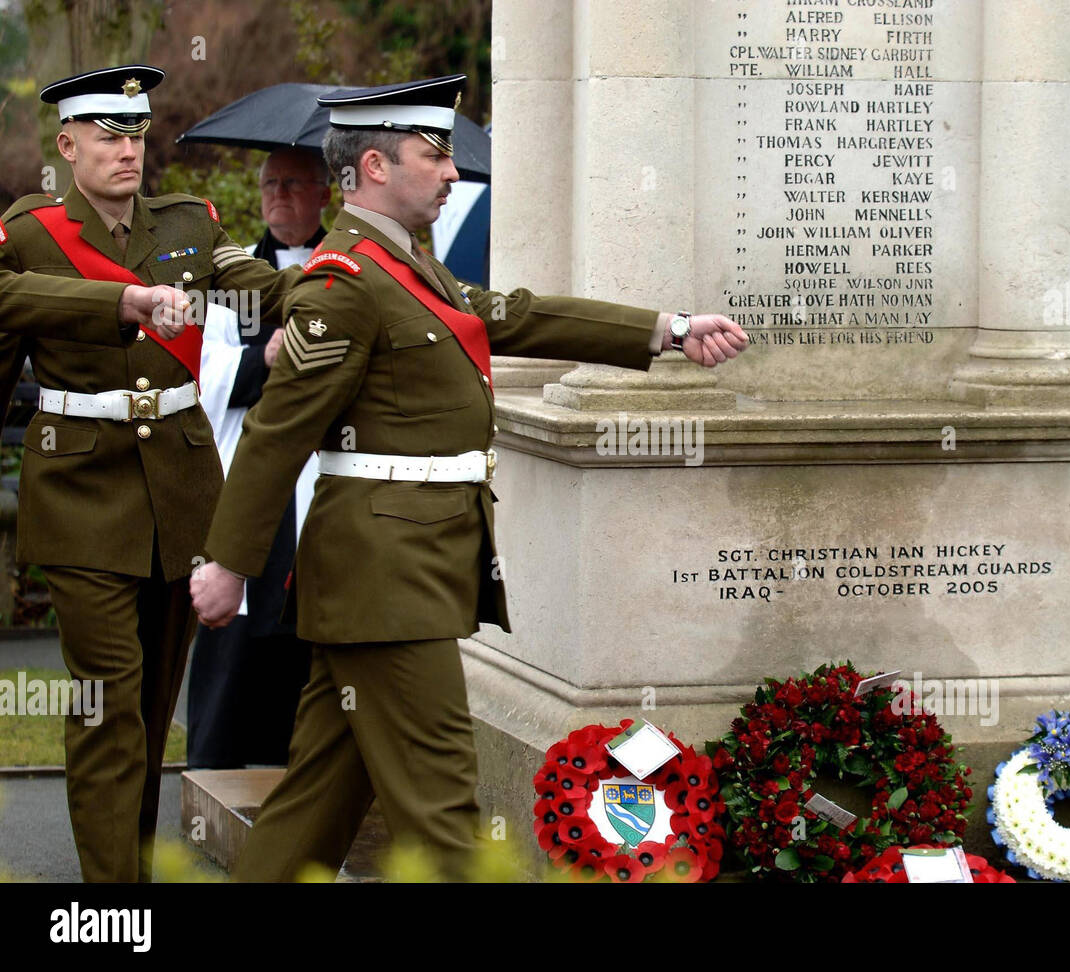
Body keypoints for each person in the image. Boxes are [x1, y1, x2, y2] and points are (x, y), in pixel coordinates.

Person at [189, 74, 750, 881]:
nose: (453, 173)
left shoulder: (403, 265)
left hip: (401, 569)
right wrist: (229, 563)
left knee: (315, 801)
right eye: (435, 154)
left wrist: (668, 328)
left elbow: (513, 313)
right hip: (385, 577)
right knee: (444, 809)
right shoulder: (341, 283)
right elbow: (278, 431)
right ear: (376, 166)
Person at [0, 64, 298, 881]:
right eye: (107, 136)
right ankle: (112, 904)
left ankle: (128, 878)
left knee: (147, 708)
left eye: (136, 134)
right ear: (67, 144)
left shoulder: (192, 224)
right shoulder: (29, 232)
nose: (128, 151)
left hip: (179, 489)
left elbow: (263, 291)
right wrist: (120, 304)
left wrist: (339, 283)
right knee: (107, 706)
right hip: (81, 494)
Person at [188, 147, 330, 768]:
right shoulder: (235, 278)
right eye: (270, 184)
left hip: (325, 474)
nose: (278, 195)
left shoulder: (343, 275)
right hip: (250, 471)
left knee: (309, 636)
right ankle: (214, 780)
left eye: (293, 184)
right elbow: (203, 370)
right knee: (237, 637)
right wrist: (263, 359)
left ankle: (297, 781)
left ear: (327, 191)